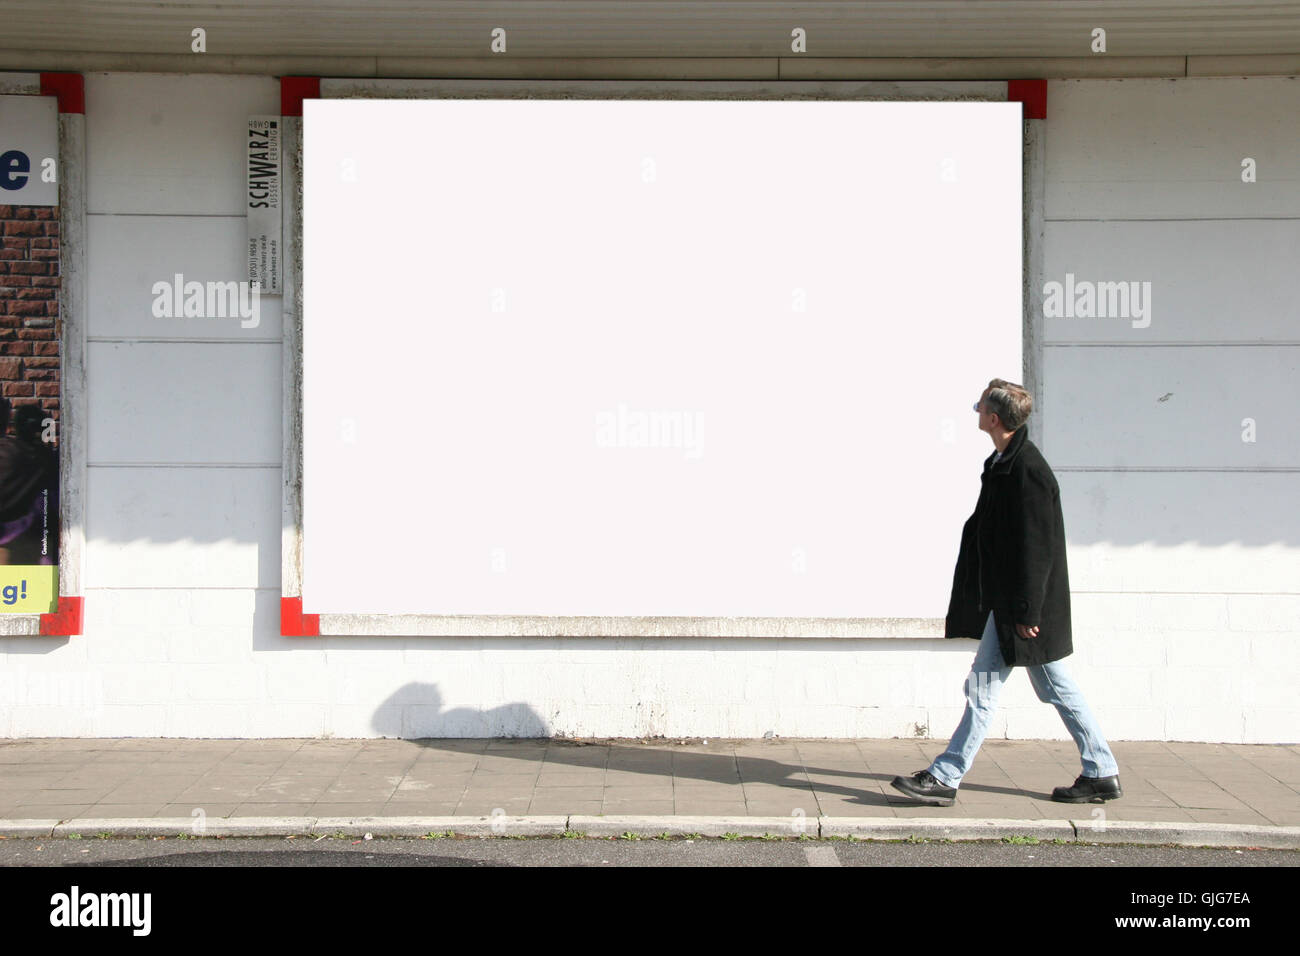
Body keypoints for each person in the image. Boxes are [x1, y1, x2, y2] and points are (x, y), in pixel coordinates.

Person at [890, 379, 1121, 806]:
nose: (975, 409)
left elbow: (1038, 549)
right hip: (1012, 605)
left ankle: (945, 776)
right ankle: (1100, 770)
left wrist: (1027, 613)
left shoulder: (1027, 471)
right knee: (1043, 687)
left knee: (989, 688)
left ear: (993, 419)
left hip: (1024, 610)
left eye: (979, 405)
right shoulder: (1003, 463)